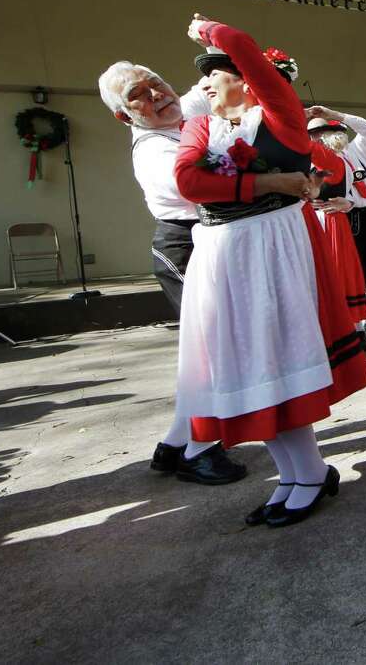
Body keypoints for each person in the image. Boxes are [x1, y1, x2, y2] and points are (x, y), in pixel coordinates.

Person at [174, 14, 366, 528]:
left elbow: (240, 43)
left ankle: (307, 473)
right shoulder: (200, 125)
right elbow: (189, 184)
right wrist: (271, 182)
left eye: (210, 75)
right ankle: (294, 473)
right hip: (222, 254)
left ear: (241, 76)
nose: (201, 86)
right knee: (248, 366)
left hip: (273, 249)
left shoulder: (278, 114)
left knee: (276, 360)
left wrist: (209, 30)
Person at [97, 62, 246, 486]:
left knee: (210, 349)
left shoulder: (180, 109)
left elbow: (205, 88)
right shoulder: (153, 149)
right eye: (138, 95)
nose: (156, 95)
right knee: (213, 352)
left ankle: (174, 443)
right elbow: (198, 185)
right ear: (124, 116)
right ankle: (199, 451)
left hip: (211, 239)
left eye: (156, 83)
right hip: (184, 247)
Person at [308, 106, 366, 342]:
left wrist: (332, 114)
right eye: (316, 133)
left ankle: (364, 322)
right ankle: (351, 327)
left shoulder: (357, 149)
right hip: (343, 219)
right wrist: (349, 202)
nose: (323, 136)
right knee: (348, 275)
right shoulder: (315, 161)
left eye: (327, 130)